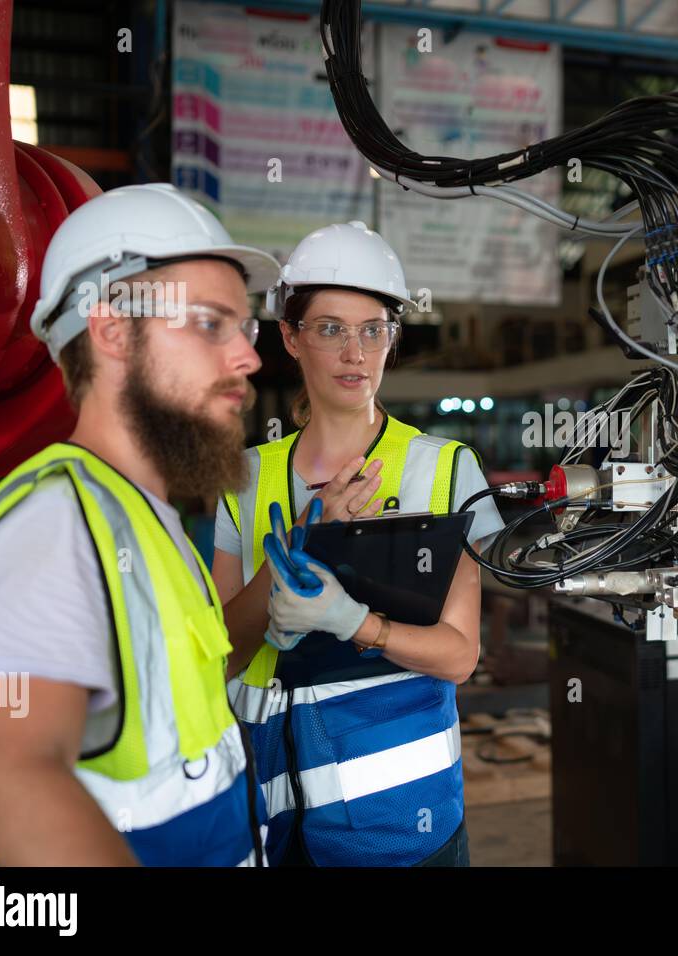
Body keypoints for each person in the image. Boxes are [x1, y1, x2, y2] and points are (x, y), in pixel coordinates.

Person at [0, 183, 279, 865]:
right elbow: (10, 777)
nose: (248, 357)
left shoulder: (145, 521)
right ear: (113, 329)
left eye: (246, 326)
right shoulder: (55, 523)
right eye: (210, 323)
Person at [211, 221, 504, 867]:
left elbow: (459, 658)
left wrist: (354, 623)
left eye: (374, 329)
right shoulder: (243, 477)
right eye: (330, 328)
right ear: (290, 337)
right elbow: (223, 655)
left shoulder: (447, 470)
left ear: (392, 339)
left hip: (397, 819)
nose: (355, 351)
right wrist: (300, 548)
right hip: (267, 814)